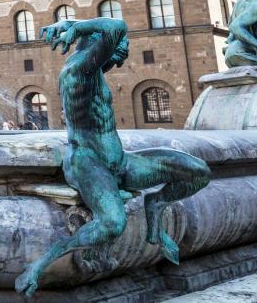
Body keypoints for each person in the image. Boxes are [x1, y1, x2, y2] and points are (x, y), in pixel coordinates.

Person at [14, 18, 210, 296]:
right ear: (96, 43)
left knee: (198, 171)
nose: (124, 50)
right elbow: (117, 25)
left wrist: (75, 25)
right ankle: (42, 263)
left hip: (119, 160)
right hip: (88, 161)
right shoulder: (79, 69)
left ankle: (155, 204)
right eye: (119, 47)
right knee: (112, 223)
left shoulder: (94, 72)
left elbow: (115, 33)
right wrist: (78, 26)